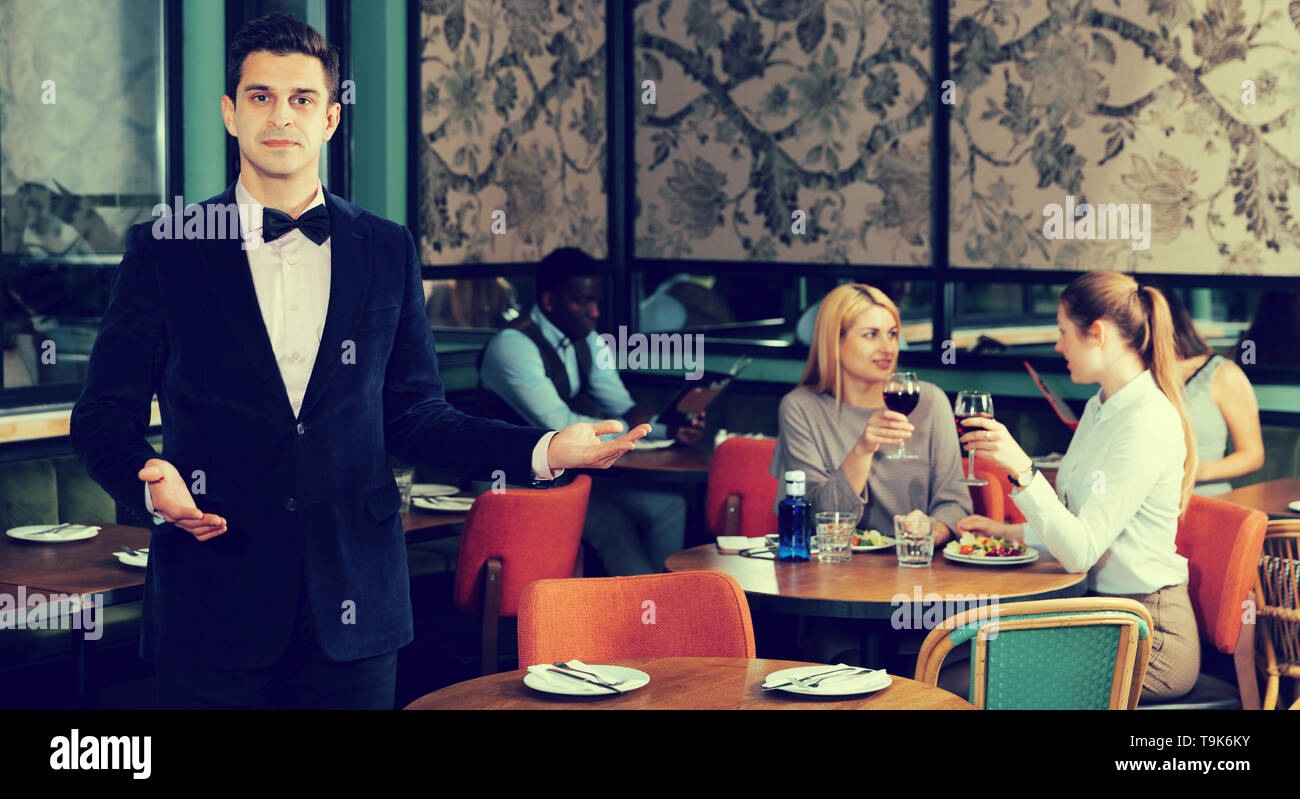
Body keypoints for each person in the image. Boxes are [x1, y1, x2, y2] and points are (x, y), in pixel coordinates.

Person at [68, 14, 647, 710]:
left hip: (356, 603)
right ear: (229, 112)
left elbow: (415, 416)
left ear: (331, 118)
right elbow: (102, 414)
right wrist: (146, 478)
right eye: (260, 96)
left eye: (302, 99)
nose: (281, 115)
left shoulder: (386, 248)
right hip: (212, 606)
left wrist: (548, 445)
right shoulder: (164, 247)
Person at [957, 271, 1200, 701]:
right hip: (1099, 617)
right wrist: (1007, 533)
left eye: (1062, 331)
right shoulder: (1101, 406)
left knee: (972, 680)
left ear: (1098, 333)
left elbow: (1081, 552)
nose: (1057, 345)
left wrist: (1023, 470)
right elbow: (1079, 526)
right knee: (965, 663)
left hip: (1149, 633)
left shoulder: (1147, 422)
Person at [478, 248, 705, 575]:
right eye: (582, 301)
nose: (595, 311)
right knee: (610, 523)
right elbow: (558, 425)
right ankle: (648, 613)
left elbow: (622, 406)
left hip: (563, 476)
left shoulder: (587, 340)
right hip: (506, 481)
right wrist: (630, 426)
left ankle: (660, 607)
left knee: (669, 506)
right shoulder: (512, 346)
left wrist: (671, 429)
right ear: (549, 302)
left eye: (596, 300)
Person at [770, 283, 971, 540]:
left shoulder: (930, 401)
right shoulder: (800, 408)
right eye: (870, 335)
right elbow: (812, 519)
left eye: (892, 334)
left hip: (916, 566)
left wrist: (930, 531)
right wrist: (863, 449)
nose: (888, 348)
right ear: (834, 341)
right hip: (834, 567)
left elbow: (956, 504)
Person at [1158, 288, 1263, 495]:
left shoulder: (1223, 373)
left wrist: (1195, 471)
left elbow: (1253, 454)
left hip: (1205, 500)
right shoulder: (1132, 374)